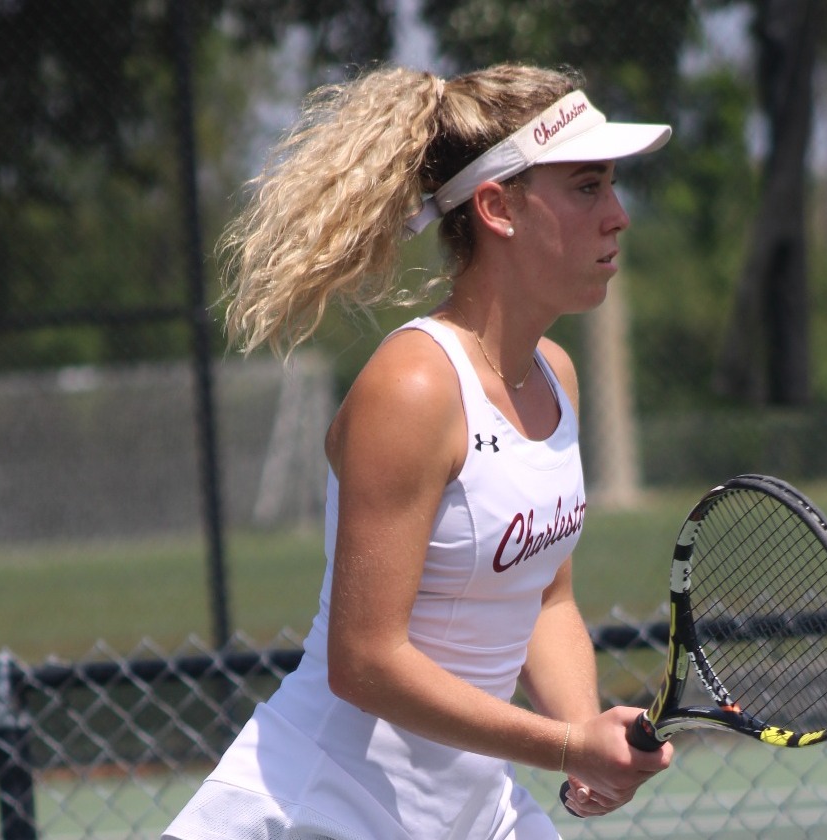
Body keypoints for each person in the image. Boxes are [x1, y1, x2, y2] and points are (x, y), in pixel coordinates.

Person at [163, 61, 675, 840]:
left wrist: (584, 743)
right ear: (499, 207)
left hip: (473, 811)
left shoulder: (555, 378)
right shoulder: (412, 386)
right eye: (587, 186)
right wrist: (568, 743)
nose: (618, 216)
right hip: (324, 808)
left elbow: (544, 597)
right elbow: (364, 661)